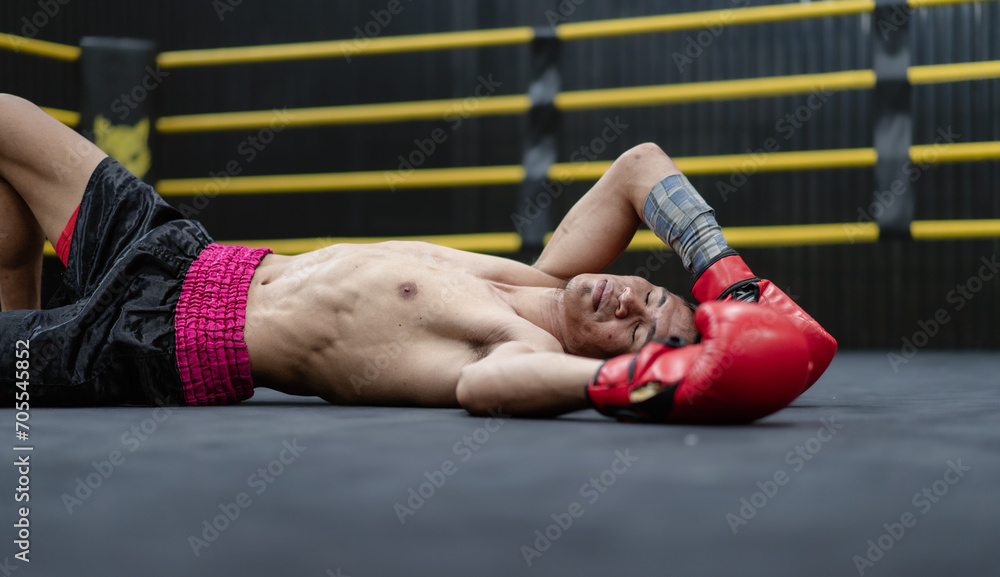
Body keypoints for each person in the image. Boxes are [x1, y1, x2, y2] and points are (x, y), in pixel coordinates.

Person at [0, 94, 836, 423]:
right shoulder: (542, 280)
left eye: (640, 328)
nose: (630, 297)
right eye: (651, 292)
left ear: (624, 362)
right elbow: (639, 165)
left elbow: (485, 390)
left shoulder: (526, 348)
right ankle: (19, 309)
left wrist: (637, 384)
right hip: (181, 251)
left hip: (155, 339)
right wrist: (733, 282)